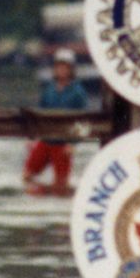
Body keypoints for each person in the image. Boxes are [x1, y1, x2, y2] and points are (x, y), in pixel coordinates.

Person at [23, 48, 90, 194]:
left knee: (61, 185)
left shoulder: (78, 93)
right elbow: (39, 116)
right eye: (58, 66)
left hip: (63, 143)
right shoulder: (48, 90)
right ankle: (41, 193)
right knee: (27, 175)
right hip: (46, 140)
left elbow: (84, 122)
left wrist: (73, 144)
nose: (61, 70)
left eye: (65, 67)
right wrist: (33, 138)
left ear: (71, 69)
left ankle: (55, 193)